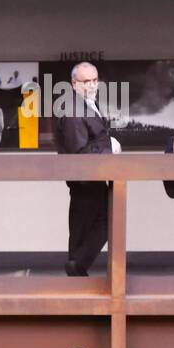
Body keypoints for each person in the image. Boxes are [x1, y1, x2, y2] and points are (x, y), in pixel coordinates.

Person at [58, 61, 113, 277]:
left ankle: (77, 270)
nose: (91, 85)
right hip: (84, 181)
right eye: (86, 81)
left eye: (94, 80)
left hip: (94, 179)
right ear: (74, 83)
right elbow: (79, 151)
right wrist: (111, 146)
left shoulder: (88, 104)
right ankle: (76, 268)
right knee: (86, 228)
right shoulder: (72, 109)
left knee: (90, 228)